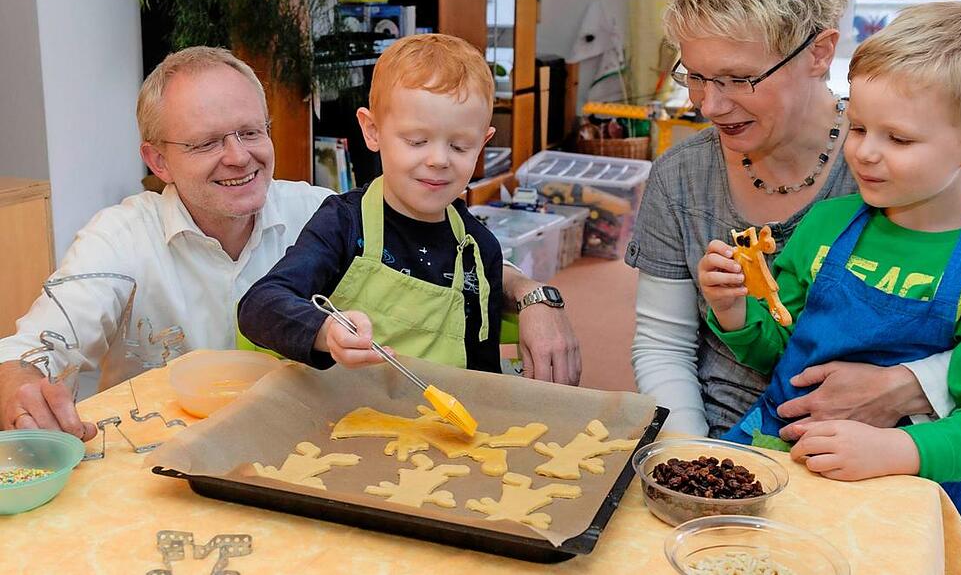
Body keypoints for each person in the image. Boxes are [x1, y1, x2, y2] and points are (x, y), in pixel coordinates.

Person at [0, 46, 580, 440]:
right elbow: (33, 348)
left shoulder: (314, 207)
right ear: (158, 160)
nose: (238, 157)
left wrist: (535, 297)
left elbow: (447, 259)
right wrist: (17, 383)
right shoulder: (118, 239)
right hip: (164, 458)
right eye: (206, 143)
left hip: (297, 445)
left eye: (251, 132)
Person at [627, 0, 961, 440]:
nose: (709, 105)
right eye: (695, 75)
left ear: (820, 52)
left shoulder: (930, 166)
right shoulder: (680, 174)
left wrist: (911, 385)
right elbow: (663, 345)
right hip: (723, 434)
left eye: (738, 79)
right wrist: (690, 456)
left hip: (892, 446)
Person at [699, 2, 961, 573]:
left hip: (910, 491)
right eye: (857, 127)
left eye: (899, 139)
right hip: (779, 457)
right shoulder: (827, 225)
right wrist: (733, 310)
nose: (864, 152)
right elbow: (781, 351)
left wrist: (893, 449)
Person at [238, 34, 503, 373]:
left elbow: (485, 376)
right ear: (372, 130)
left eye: (460, 146)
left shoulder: (480, 251)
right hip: (340, 406)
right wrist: (326, 332)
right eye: (417, 141)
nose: (439, 160)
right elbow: (259, 306)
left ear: (483, 143)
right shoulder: (343, 224)